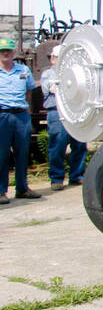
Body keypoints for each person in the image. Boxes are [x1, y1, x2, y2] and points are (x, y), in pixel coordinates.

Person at [0, 37, 42, 204]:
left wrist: (24, 110)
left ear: (14, 52)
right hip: (2, 115)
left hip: (21, 116)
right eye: (2, 51)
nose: (5, 54)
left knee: (23, 153)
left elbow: (29, 92)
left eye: (8, 50)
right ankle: (1, 191)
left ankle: (22, 189)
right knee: (2, 154)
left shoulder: (24, 70)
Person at [40, 45, 86, 190]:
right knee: (57, 146)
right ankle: (57, 178)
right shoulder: (48, 74)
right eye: (58, 58)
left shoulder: (77, 72)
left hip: (76, 111)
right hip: (57, 112)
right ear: (53, 59)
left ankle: (77, 175)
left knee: (79, 145)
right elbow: (53, 89)